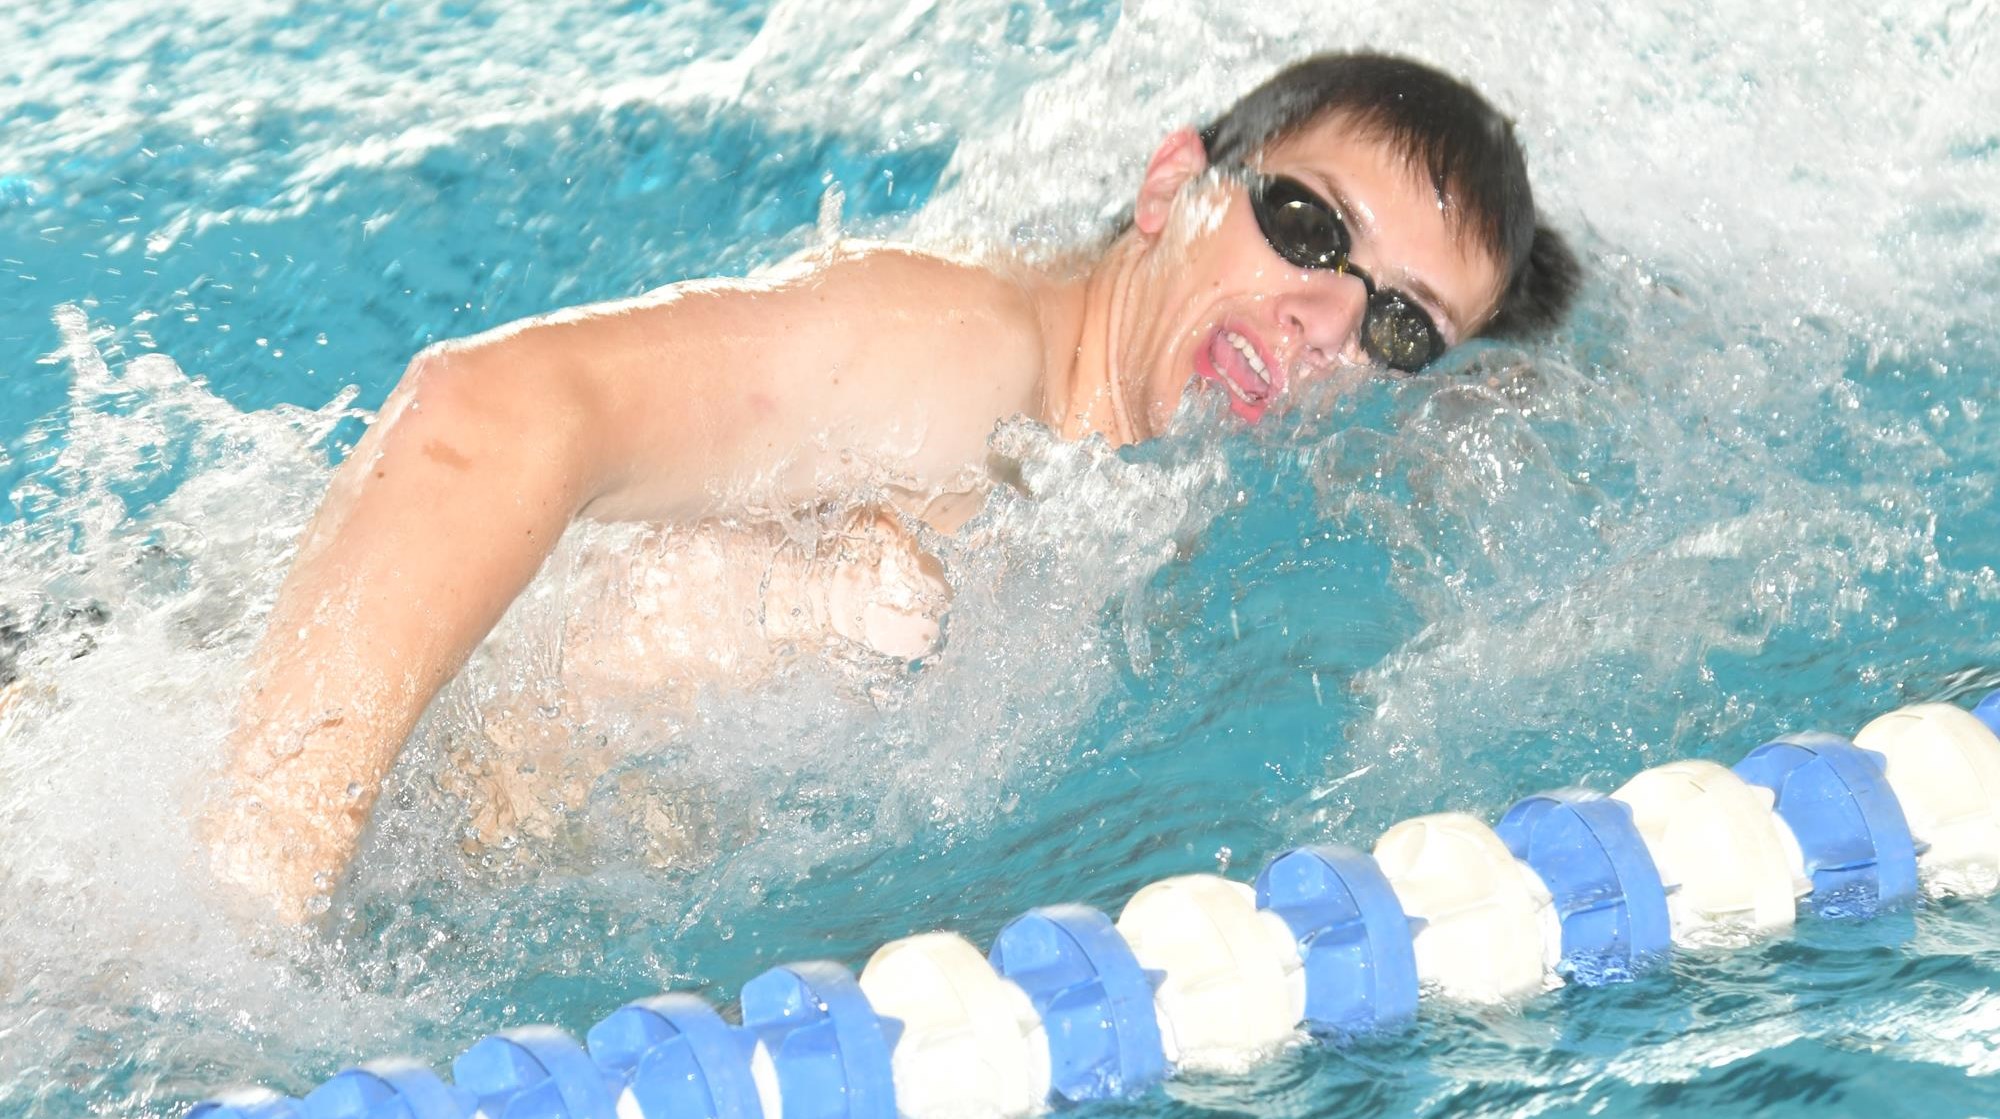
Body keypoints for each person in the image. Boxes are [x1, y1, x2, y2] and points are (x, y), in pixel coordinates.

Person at [203, 51, 1582, 922]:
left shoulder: (1135, 484)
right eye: (1309, 227)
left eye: (1400, 325)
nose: (1324, 324)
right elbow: (484, 409)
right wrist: (247, 921)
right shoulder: (950, 351)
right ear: (1175, 184)